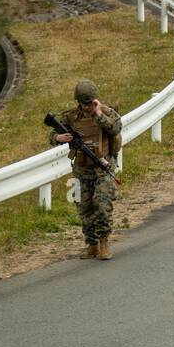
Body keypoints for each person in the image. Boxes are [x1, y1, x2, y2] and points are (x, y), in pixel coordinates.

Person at [50, 79, 122, 261]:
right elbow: (51, 136)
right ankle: (92, 244)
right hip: (81, 169)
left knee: (102, 203)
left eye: (90, 103)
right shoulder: (71, 117)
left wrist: (98, 114)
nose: (87, 107)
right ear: (78, 102)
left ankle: (104, 242)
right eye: (84, 104)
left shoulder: (106, 113)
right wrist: (58, 137)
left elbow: (115, 129)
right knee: (84, 207)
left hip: (103, 167)